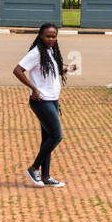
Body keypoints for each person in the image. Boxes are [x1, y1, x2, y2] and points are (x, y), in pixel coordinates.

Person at [12, 22, 74, 188]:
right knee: (56, 136)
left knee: (47, 139)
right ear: (40, 36)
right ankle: (34, 169)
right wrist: (33, 88)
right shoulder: (36, 53)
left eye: (54, 36)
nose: (51, 39)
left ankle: (46, 177)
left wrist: (68, 68)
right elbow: (17, 70)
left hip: (52, 100)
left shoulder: (50, 51)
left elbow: (51, 70)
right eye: (48, 36)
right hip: (41, 102)